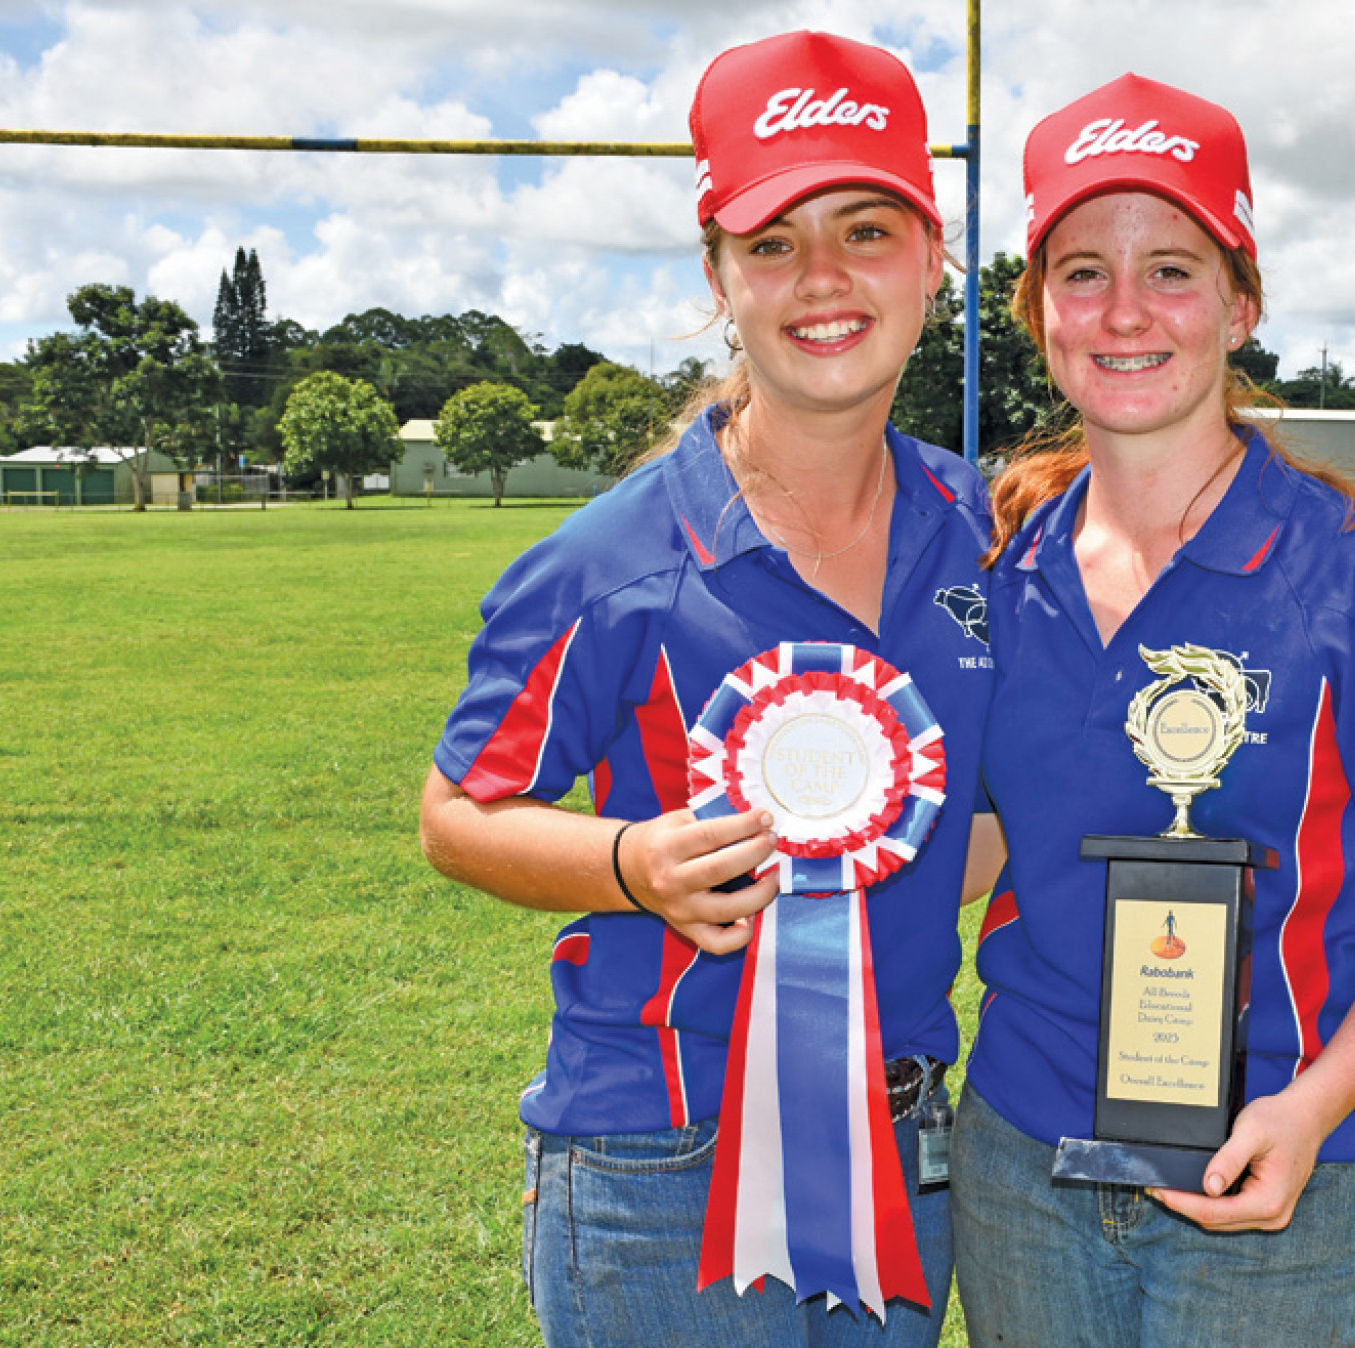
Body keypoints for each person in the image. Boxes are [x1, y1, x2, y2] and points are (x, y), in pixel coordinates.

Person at [419, 31, 997, 1348]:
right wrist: (633, 862)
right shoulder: (607, 562)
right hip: (659, 1163)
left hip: (903, 1151)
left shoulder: (987, 536)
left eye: (865, 229)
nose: (823, 279)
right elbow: (460, 814)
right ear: (717, 279)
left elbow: (976, 829)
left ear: (931, 259)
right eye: (773, 243)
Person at [952, 73, 1355, 1347]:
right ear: (1037, 311)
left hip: (1270, 1168)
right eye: (1081, 272)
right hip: (1018, 1156)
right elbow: (1000, 840)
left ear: (1239, 301)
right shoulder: (997, 568)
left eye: (1171, 267)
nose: (1123, 311)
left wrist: (1315, 1104)